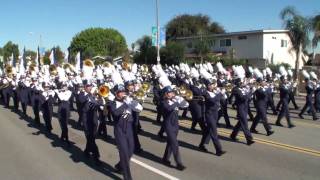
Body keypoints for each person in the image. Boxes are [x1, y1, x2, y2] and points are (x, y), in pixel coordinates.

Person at [110, 84, 143, 180]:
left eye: (124, 91)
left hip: (129, 128)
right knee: (124, 153)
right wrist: (125, 103)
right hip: (120, 129)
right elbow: (116, 113)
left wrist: (134, 101)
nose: (123, 94)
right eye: (120, 92)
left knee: (130, 151)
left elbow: (139, 109)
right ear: (116, 94)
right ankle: (127, 177)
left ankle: (120, 166)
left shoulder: (129, 101)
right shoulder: (112, 103)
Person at [161, 85, 188, 171]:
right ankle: (179, 163)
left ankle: (165, 159)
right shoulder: (163, 102)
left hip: (175, 124)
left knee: (170, 143)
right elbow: (169, 109)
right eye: (170, 93)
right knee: (175, 144)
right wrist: (176, 101)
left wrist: (183, 98)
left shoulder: (175, 100)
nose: (172, 94)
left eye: (172, 92)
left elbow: (185, 105)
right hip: (168, 125)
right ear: (166, 94)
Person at [199, 79, 226, 156]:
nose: (212, 86)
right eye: (210, 85)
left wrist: (222, 94)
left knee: (208, 131)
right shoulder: (205, 93)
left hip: (215, 113)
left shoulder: (214, 92)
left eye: (213, 84)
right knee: (214, 132)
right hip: (209, 114)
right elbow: (212, 101)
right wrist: (220, 94)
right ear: (207, 86)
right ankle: (218, 150)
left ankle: (201, 145)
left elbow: (221, 100)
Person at [80, 82, 104, 165]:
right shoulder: (82, 94)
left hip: (94, 118)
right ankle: (96, 157)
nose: (90, 88)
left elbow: (100, 104)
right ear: (85, 87)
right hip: (86, 119)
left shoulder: (94, 95)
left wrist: (100, 96)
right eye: (88, 87)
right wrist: (89, 94)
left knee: (92, 137)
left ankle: (86, 151)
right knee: (90, 138)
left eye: (91, 86)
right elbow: (81, 100)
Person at [230, 78, 255, 145]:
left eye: (242, 82)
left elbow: (248, 97)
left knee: (240, 123)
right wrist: (250, 92)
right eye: (240, 83)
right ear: (237, 83)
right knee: (244, 123)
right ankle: (249, 139)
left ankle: (233, 135)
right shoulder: (235, 89)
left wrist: (250, 90)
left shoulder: (242, 88)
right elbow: (243, 98)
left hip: (245, 107)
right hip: (240, 108)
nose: (242, 84)